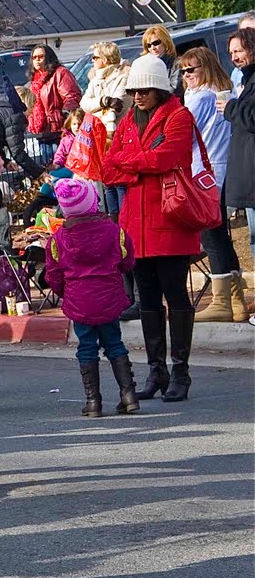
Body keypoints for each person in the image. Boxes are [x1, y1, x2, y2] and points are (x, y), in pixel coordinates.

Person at [101, 55, 198, 402]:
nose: (138, 95)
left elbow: (168, 158)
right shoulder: (128, 120)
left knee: (175, 295)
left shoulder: (179, 116)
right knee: (147, 301)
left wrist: (131, 165)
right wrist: (138, 167)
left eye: (144, 90)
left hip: (170, 220)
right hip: (136, 225)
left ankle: (181, 372)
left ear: (158, 88)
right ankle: (157, 370)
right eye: (133, 90)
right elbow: (108, 169)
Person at [44, 179, 137, 417]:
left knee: (86, 348)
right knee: (114, 343)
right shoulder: (115, 232)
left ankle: (93, 401)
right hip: (109, 298)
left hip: (79, 302)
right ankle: (128, 395)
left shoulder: (57, 240)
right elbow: (127, 262)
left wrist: (66, 293)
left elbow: (53, 275)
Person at [177, 47, 243, 323]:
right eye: (183, 70)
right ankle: (236, 300)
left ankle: (221, 302)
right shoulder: (218, 93)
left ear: (206, 67)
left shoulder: (202, 97)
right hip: (219, 168)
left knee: (211, 236)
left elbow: (183, 133)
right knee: (221, 235)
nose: (186, 75)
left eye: (191, 69)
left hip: (205, 171)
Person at [225, 29, 255, 325]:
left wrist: (231, 107)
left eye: (239, 50)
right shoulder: (245, 80)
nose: (234, 56)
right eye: (231, 52)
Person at [27, 44, 81, 169]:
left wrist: (64, 117)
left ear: (49, 57)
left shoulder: (61, 73)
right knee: (48, 167)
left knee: (61, 166)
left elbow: (72, 97)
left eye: (41, 56)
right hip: (42, 129)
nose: (37, 60)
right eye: (34, 57)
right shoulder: (35, 79)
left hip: (58, 130)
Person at [140, 24, 179, 94]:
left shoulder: (177, 64)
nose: (153, 48)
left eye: (156, 43)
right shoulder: (146, 67)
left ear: (165, 42)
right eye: (149, 45)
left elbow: (174, 91)